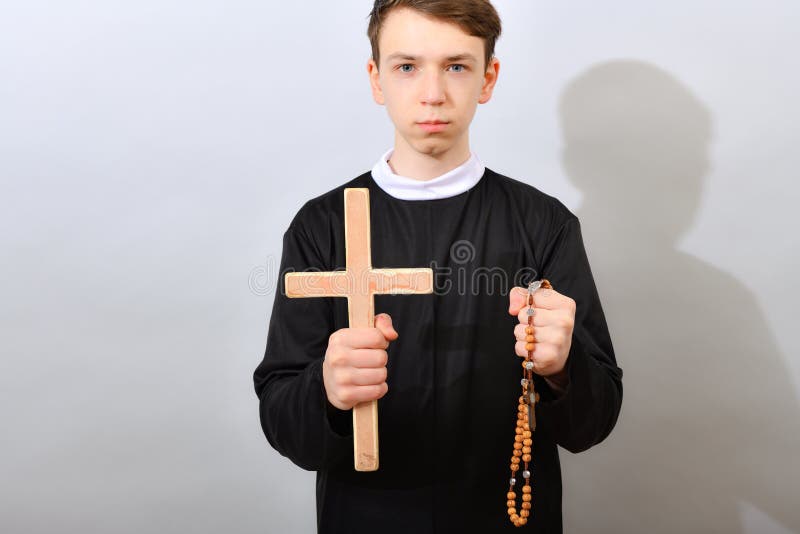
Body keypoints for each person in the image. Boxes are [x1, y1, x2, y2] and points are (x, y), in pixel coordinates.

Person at [253, 1, 623, 532]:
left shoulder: (544, 224)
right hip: (366, 515)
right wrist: (327, 390)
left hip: (505, 519)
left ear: (487, 78)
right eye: (406, 67)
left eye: (456, 66)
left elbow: (594, 423)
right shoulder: (321, 226)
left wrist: (562, 368)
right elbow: (285, 424)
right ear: (376, 78)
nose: (432, 93)